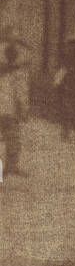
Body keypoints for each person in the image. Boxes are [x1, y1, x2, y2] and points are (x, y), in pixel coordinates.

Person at [0, 38, 29, 176]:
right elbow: (21, 93)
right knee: (13, 138)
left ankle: (9, 167)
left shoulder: (4, 70)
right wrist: (23, 109)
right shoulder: (18, 73)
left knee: (10, 138)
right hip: (9, 111)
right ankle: (11, 166)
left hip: (5, 109)